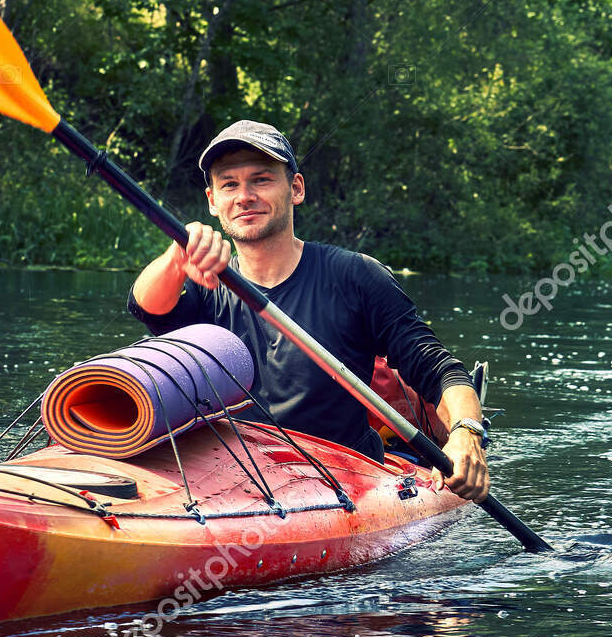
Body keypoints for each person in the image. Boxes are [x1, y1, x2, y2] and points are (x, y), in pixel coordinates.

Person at [128, 119, 490, 502]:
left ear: (296, 188)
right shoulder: (205, 284)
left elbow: (438, 370)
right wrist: (178, 254)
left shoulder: (355, 275)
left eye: (262, 180)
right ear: (213, 201)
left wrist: (467, 432)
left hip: (344, 477)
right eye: (229, 184)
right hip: (234, 475)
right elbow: (146, 308)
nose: (244, 196)